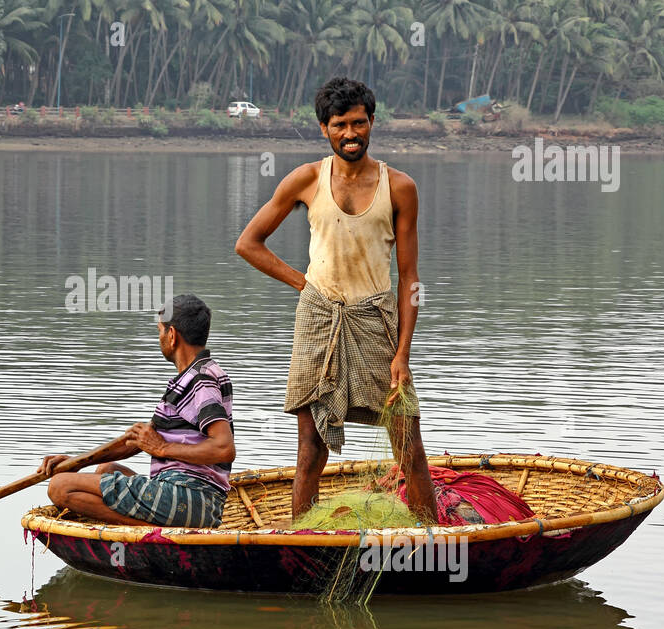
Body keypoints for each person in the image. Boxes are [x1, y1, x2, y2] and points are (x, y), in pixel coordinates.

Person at [234, 76, 438, 524]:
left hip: (375, 320)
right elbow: (249, 243)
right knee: (310, 449)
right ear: (324, 128)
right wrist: (302, 284)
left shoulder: (399, 187)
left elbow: (409, 279)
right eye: (341, 125)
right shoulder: (307, 180)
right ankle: (300, 540)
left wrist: (403, 353)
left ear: (372, 123)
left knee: (409, 444)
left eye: (360, 123)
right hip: (318, 319)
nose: (351, 134)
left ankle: (431, 538)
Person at [38, 293, 235, 528]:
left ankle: (152, 532)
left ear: (172, 336)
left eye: (160, 330)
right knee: (106, 469)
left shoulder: (201, 380)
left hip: (192, 498)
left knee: (60, 487)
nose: (159, 337)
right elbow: (137, 442)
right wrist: (77, 462)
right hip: (181, 493)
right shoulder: (191, 377)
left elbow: (223, 448)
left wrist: (163, 448)